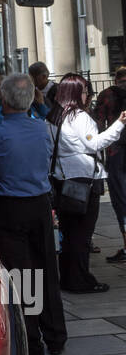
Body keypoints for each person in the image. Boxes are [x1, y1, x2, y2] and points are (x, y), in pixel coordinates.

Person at [0, 71, 66, 355]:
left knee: (22, 276)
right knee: (46, 269)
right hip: (39, 204)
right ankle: (56, 336)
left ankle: (31, 343)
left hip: (9, 208)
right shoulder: (42, 129)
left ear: (5, 99)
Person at [49, 73, 126, 293]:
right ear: (74, 93)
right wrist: (119, 124)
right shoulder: (78, 117)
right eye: (84, 91)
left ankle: (70, 277)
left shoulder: (53, 115)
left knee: (69, 232)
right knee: (81, 235)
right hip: (83, 180)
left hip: (62, 178)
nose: (87, 95)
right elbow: (96, 143)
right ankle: (79, 280)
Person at [94, 66, 126, 262]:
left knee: (121, 202)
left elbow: (98, 124)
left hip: (117, 153)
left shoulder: (107, 95)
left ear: (115, 79)